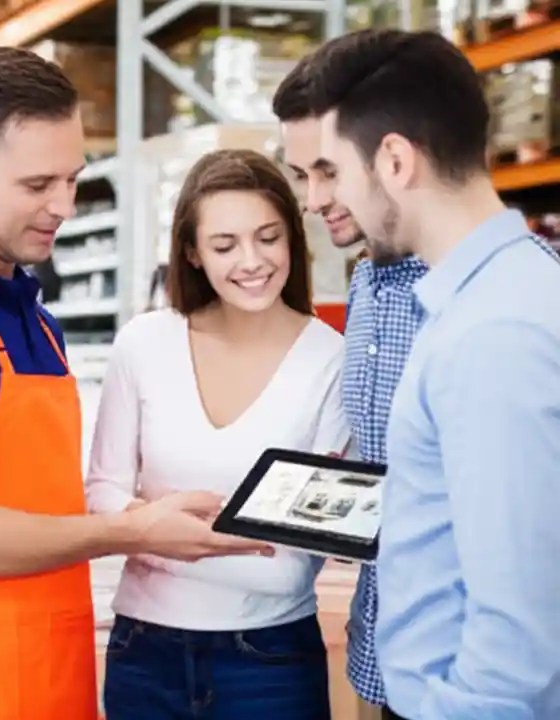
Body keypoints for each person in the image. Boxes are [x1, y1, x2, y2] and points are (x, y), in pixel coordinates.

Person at [0, 47, 272, 720]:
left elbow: (38, 497)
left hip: (44, 666)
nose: (63, 206)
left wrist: (143, 514)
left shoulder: (28, 313)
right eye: (38, 185)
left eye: (72, 179)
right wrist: (127, 535)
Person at [308, 29, 560, 719]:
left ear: (392, 160)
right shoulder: (491, 298)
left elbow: (516, 634)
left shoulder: (493, 334)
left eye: (335, 170)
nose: (328, 201)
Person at [85, 148, 350, 720]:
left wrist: (152, 534)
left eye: (268, 237)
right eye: (225, 246)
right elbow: (100, 493)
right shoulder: (145, 343)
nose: (251, 262)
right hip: (144, 654)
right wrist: (163, 530)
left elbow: (291, 565)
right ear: (192, 253)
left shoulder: (330, 359)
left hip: (270, 662)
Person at [272, 57, 427, 720]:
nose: (310, 200)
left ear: (393, 155)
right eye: (301, 175)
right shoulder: (367, 283)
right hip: (383, 655)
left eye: (326, 171)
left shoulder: (503, 301)